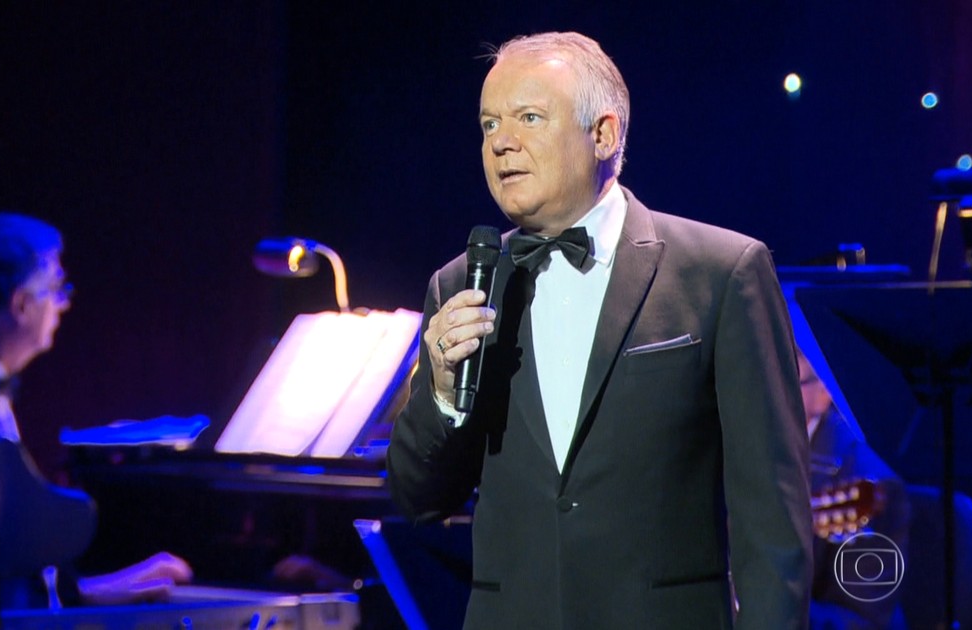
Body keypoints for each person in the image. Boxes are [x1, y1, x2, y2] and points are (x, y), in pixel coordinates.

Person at [387, 32, 812, 629]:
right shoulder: (460, 284)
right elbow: (419, 500)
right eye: (488, 125)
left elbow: (773, 520)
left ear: (603, 134)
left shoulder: (720, 272)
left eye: (528, 117)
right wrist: (439, 392)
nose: (502, 143)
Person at [0, 212, 193, 609]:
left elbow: (1, 559)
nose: (63, 304)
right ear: (22, 304)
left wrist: (84, 590)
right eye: (56, 288)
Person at [800, 350, 910, 629]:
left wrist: (758, 603)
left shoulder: (871, 486)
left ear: (824, 390)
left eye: (782, 382)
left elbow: (861, 623)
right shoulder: (737, 454)